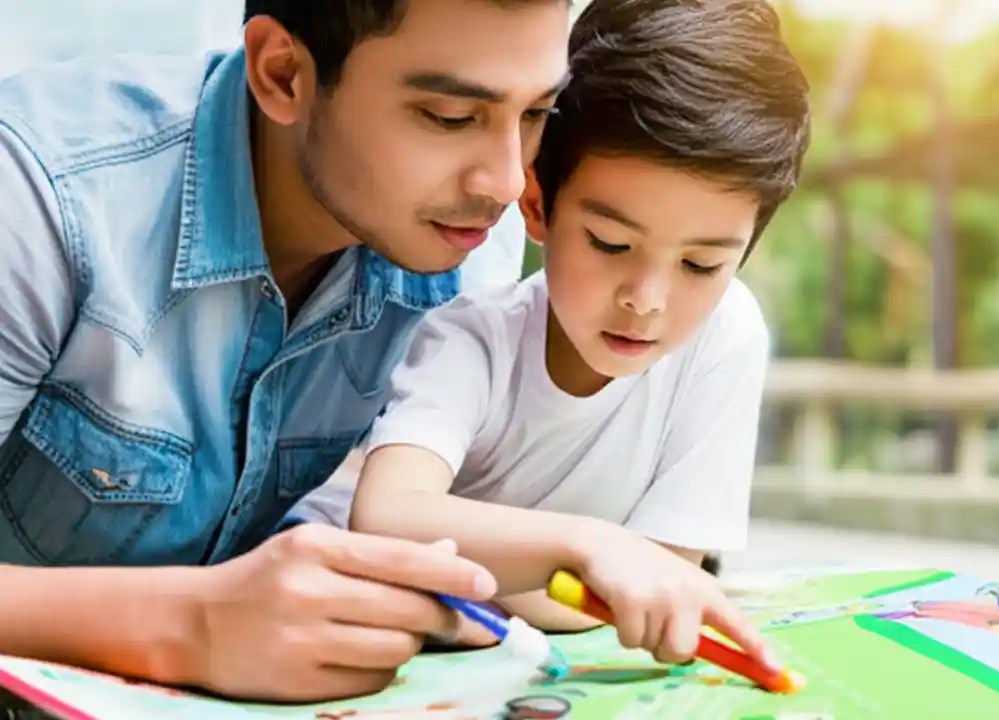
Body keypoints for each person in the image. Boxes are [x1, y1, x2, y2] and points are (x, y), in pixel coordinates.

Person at [0, 0, 571, 703]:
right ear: (283, 75)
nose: (507, 184)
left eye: (538, 115)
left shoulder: (460, 243)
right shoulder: (36, 198)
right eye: (451, 117)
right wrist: (196, 624)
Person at [339, 0, 811, 671]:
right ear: (537, 203)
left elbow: (661, 585)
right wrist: (590, 547)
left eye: (702, 265)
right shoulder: (472, 343)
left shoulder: (726, 335)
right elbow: (386, 515)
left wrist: (502, 578)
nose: (645, 301)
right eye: (610, 242)